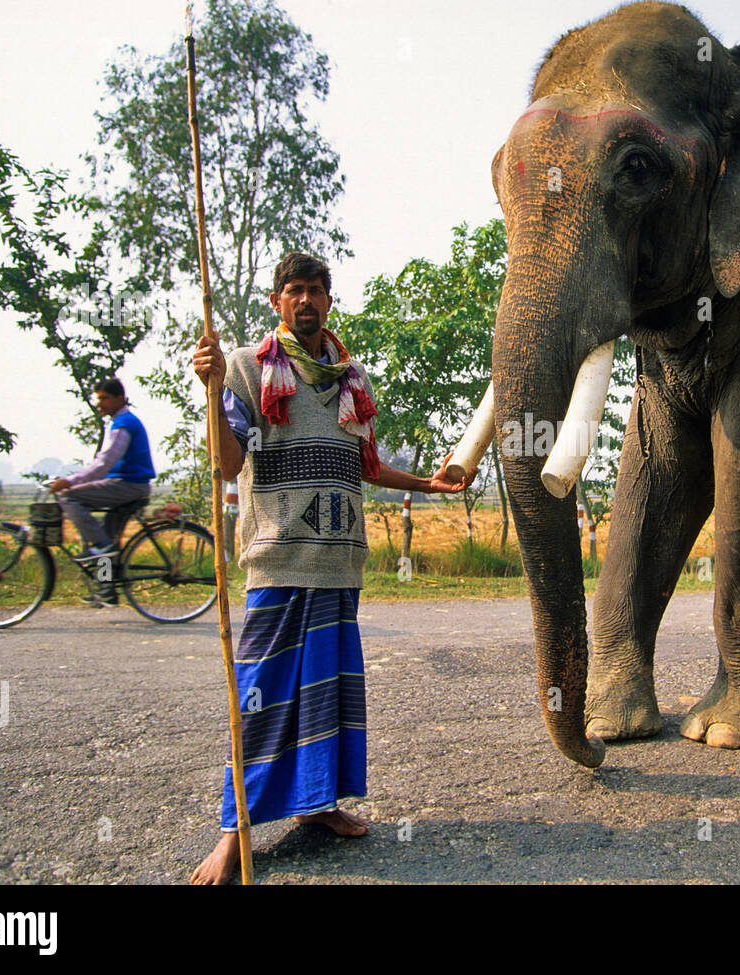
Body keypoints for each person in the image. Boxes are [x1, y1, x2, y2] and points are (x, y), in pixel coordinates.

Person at [189, 251, 474, 885]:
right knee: (260, 698)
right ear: (277, 301)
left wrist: (429, 484)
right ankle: (233, 831)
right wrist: (211, 393)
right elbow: (229, 463)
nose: (307, 300)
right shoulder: (245, 368)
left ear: (328, 300)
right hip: (280, 558)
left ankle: (316, 806)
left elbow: (366, 466)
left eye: (317, 290)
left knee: (327, 695)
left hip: (340, 564)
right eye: (295, 290)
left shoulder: (353, 379)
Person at [48, 378, 155, 603]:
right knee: (107, 539)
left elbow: (105, 463)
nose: (100, 403)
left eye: (105, 398)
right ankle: (106, 591)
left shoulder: (124, 423)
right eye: (99, 398)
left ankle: (101, 546)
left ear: (119, 398)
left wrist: (70, 482)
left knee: (68, 497)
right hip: (127, 485)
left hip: (128, 485)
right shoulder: (120, 422)